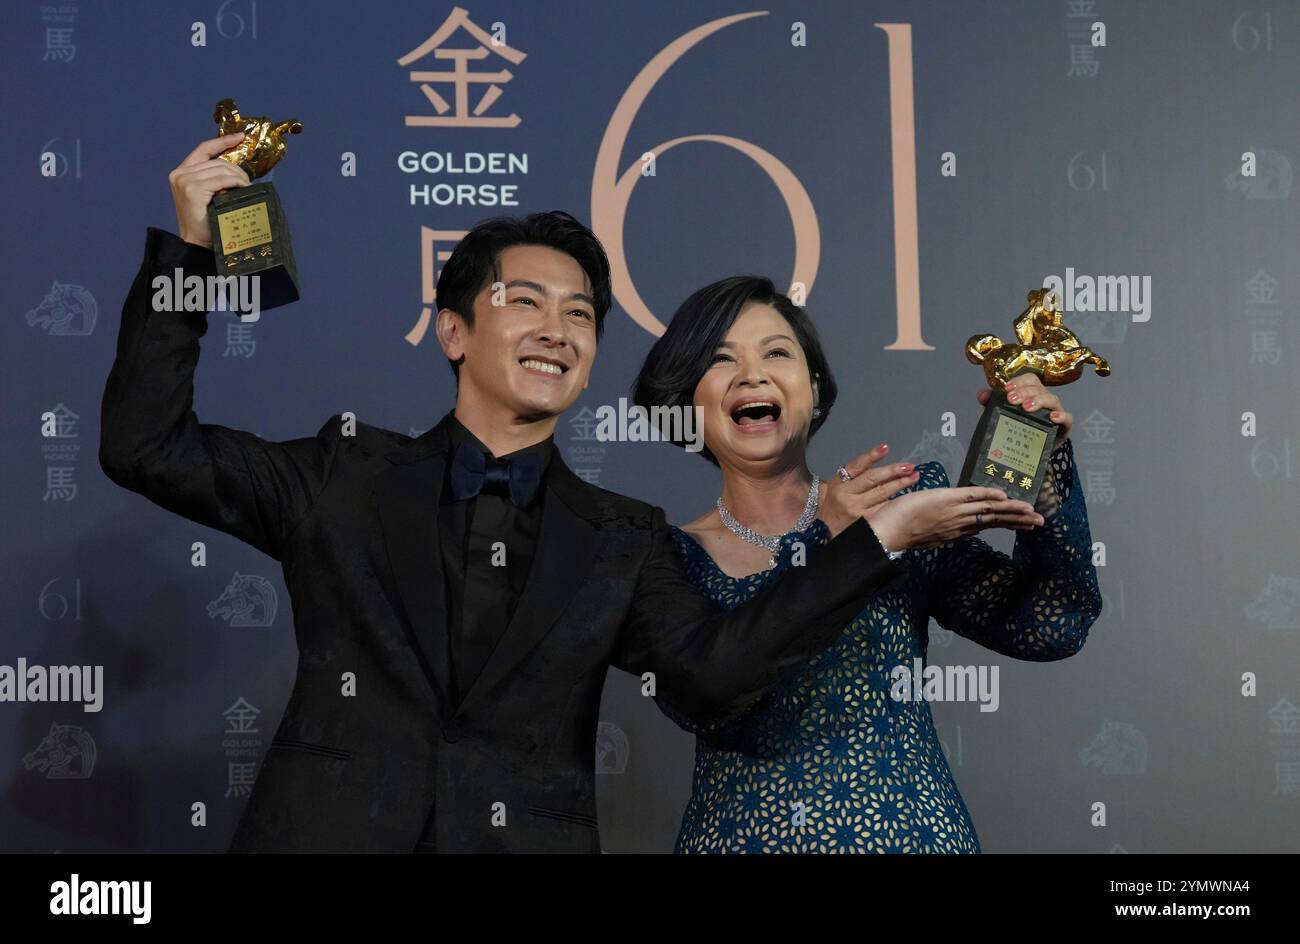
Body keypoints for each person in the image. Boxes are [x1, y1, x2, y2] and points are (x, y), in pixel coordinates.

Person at [99, 132, 1039, 853]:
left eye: (581, 312)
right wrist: (190, 252)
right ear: (453, 333)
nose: (558, 327)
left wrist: (870, 540)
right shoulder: (340, 475)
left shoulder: (622, 538)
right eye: (525, 302)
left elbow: (716, 673)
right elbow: (146, 446)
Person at [632, 276, 1103, 853]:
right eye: (719, 359)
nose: (752, 374)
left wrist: (1046, 465)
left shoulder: (898, 509)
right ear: (686, 401)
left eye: (776, 352)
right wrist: (837, 536)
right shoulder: (662, 557)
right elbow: (711, 700)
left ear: (814, 386)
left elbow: (1052, 625)